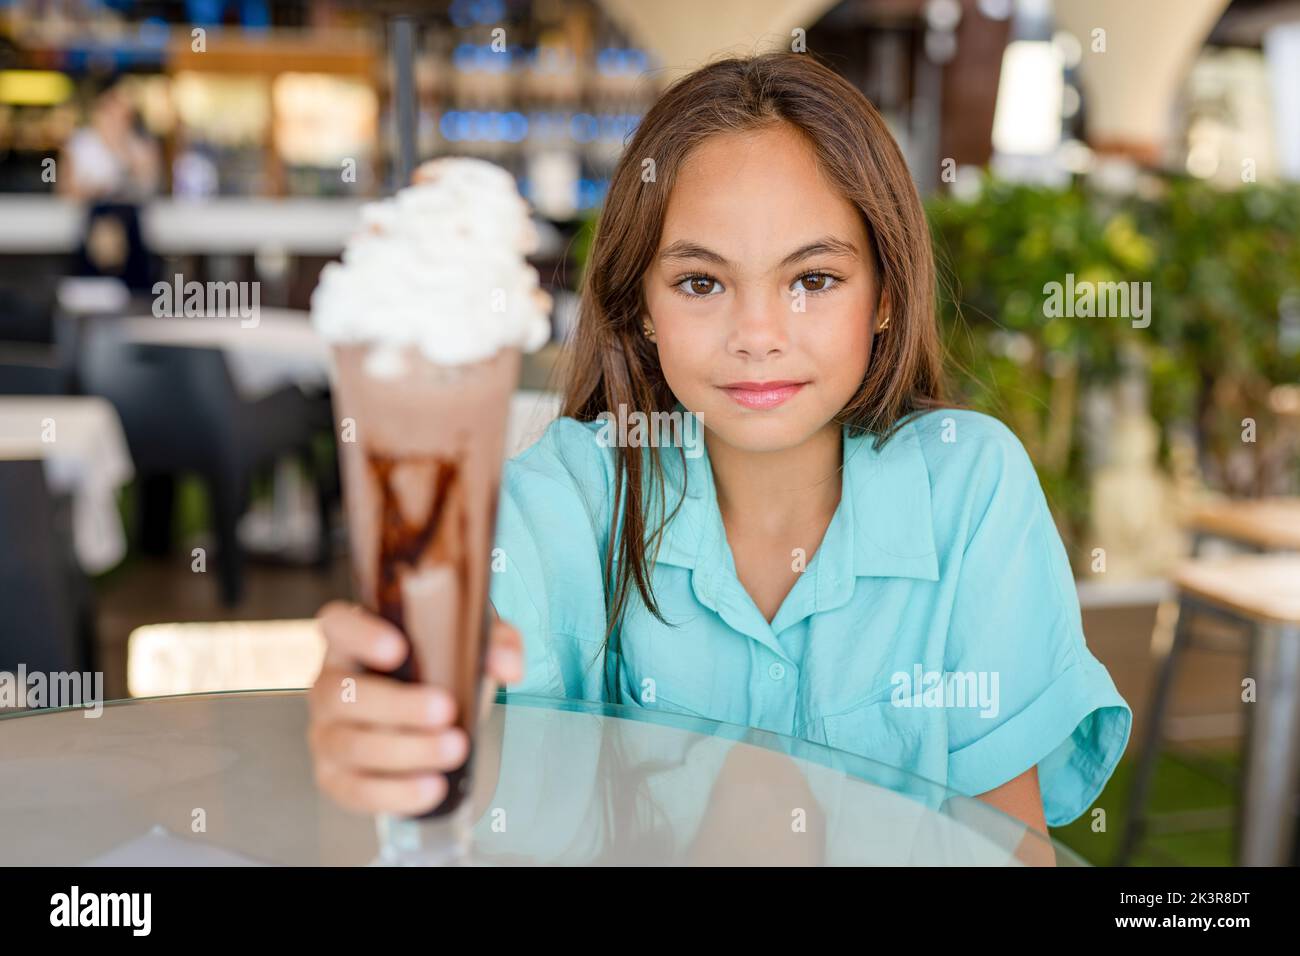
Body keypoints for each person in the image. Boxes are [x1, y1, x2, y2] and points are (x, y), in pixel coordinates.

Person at [307, 52, 1132, 851]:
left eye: (813, 279)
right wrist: (392, 725)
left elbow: (1009, 843)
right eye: (701, 283)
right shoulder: (566, 497)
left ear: (885, 296)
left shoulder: (970, 488)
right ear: (640, 309)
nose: (758, 338)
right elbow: (468, 739)